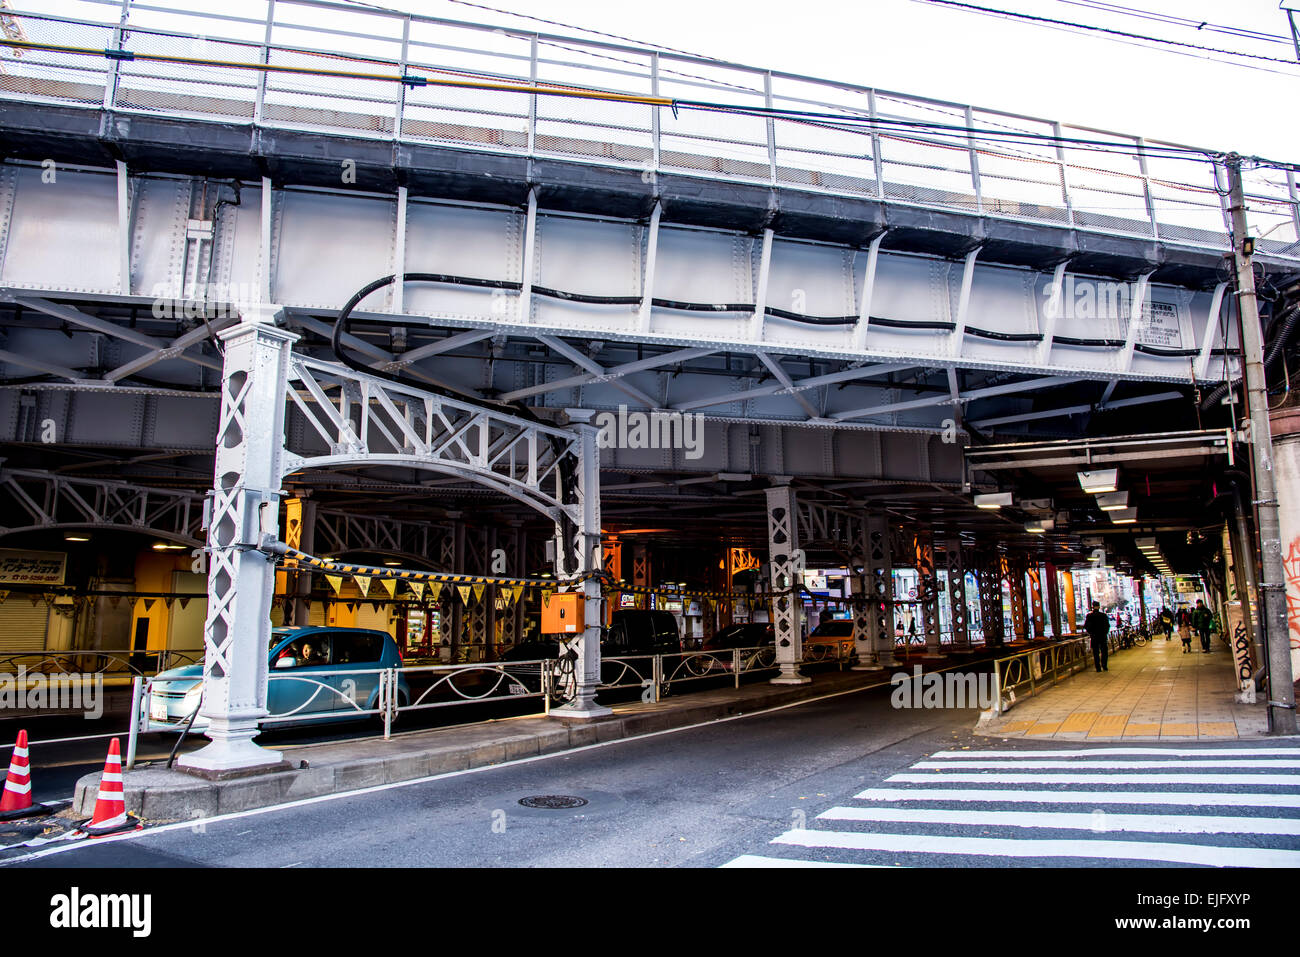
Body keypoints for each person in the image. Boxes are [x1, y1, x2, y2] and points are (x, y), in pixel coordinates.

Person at [1084, 601, 1110, 672]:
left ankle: (1098, 667)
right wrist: (1105, 633)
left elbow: (1086, 626)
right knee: (1104, 651)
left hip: (1094, 637)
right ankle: (1104, 666)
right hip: (1102, 636)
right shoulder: (1103, 615)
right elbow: (1107, 626)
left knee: (1096, 652)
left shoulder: (1089, 616)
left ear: (1092, 607)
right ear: (1098, 607)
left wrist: (1091, 633)